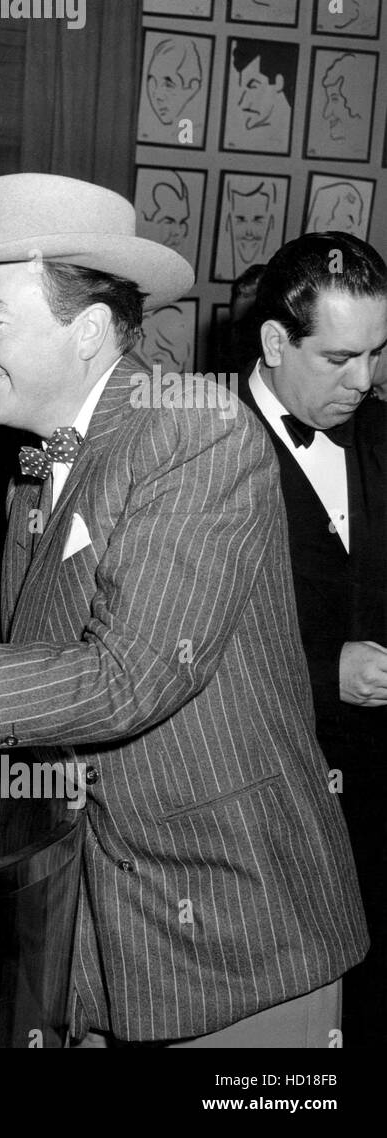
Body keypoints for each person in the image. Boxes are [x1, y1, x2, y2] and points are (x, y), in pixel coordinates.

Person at [0, 173, 368, 1046]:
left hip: (240, 934)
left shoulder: (194, 430)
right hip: (105, 934)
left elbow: (130, 675)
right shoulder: (41, 464)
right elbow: (59, 671)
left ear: (88, 329)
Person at [239, 232, 387, 1045]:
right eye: (338, 358)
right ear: (273, 343)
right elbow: (156, 645)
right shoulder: (196, 446)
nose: (363, 381)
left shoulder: (382, 428)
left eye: (376, 353)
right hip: (269, 806)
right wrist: (324, 669)